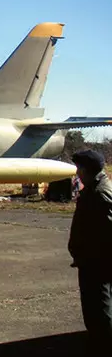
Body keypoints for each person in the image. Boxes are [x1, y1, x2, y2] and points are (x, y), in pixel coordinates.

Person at [68, 150, 112, 353]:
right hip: (92, 259)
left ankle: (102, 344)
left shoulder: (99, 193)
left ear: (86, 169)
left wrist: (91, 256)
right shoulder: (96, 188)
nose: (77, 173)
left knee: (99, 306)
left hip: (97, 262)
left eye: (79, 168)